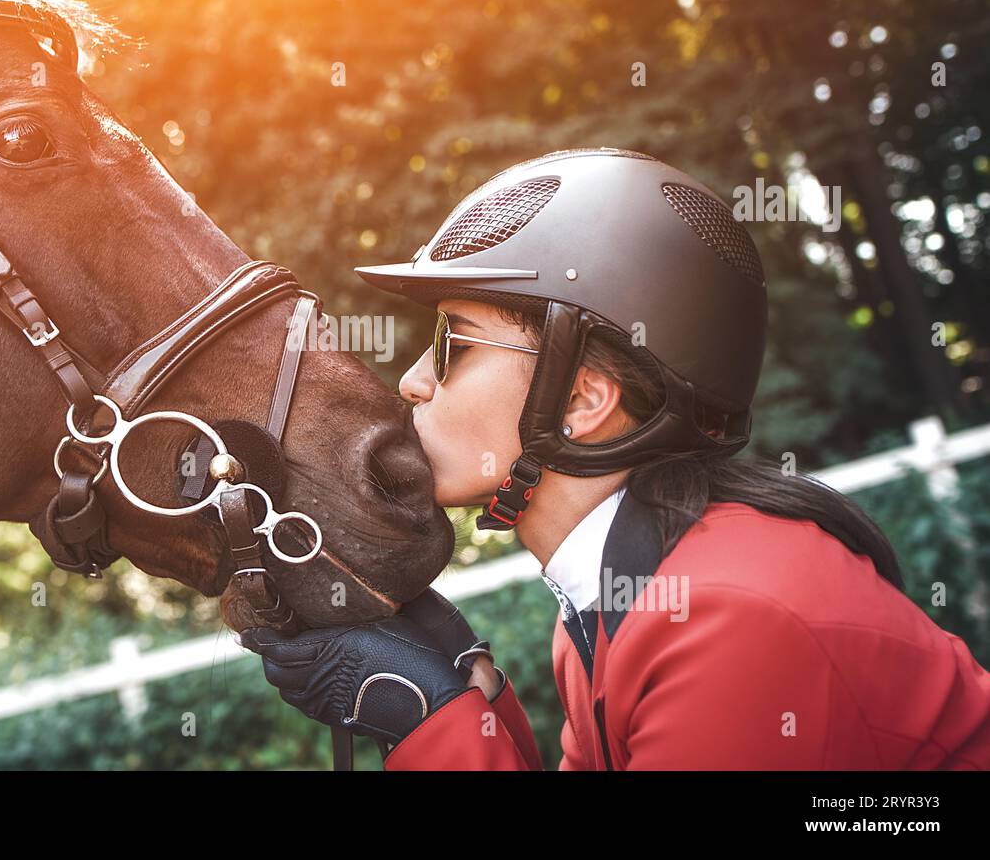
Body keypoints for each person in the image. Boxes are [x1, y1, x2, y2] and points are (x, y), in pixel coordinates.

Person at [241, 147, 990, 769]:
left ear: (581, 400)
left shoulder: (727, 619)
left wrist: (425, 723)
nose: (413, 380)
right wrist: (468, 688)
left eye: (453, 343)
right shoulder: (615, 602)